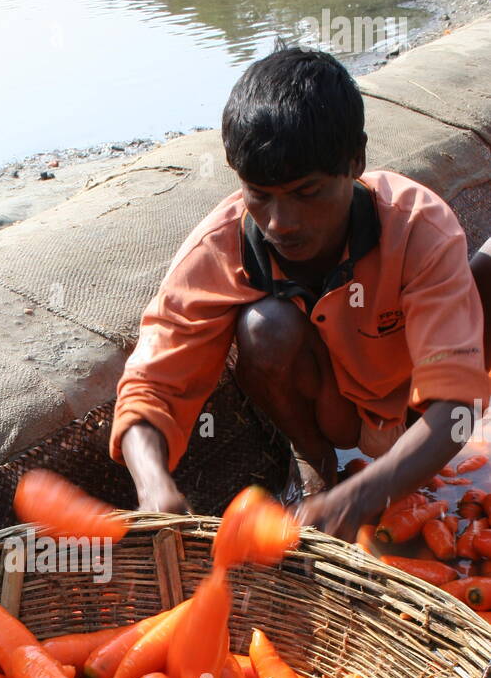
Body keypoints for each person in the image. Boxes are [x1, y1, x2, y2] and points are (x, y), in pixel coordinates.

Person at [109, 43, 491, 540]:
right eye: (259, 195)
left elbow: (458, 409)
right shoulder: (222, 245)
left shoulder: (417, 226)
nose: (279, 223)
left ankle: (373, 478)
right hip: (340, 415)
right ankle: (316, 466)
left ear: (355, 162)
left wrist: (366, 493)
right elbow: (152, 383)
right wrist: (153, 484)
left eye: (306, 193)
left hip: (424, 414)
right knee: (264, 327)